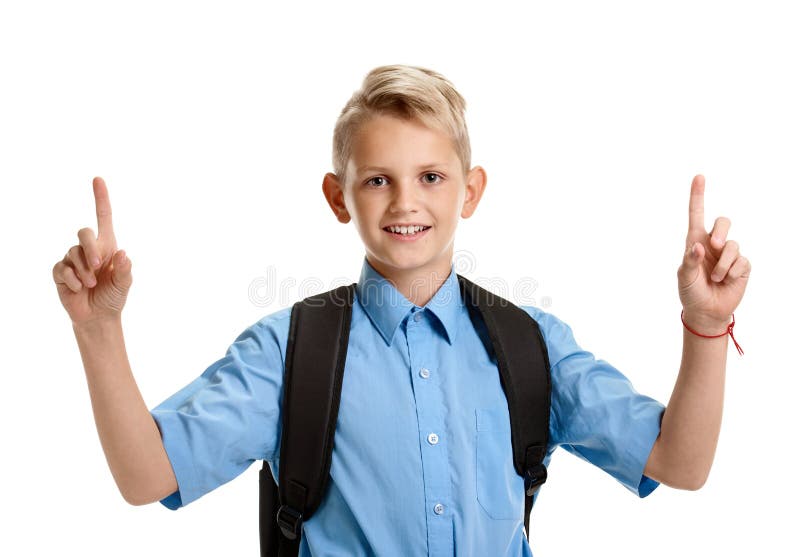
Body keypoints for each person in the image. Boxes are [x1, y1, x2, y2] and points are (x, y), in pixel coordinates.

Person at [52, 64, 751, 556]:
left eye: (431, 177)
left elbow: (679, 462)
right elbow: (150, 476)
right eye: (378, 179)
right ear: (337, 196)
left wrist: (708, 326)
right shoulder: (289, 351)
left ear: (470, 191)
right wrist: (98, 330)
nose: (406, 202)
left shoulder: (530, 345)